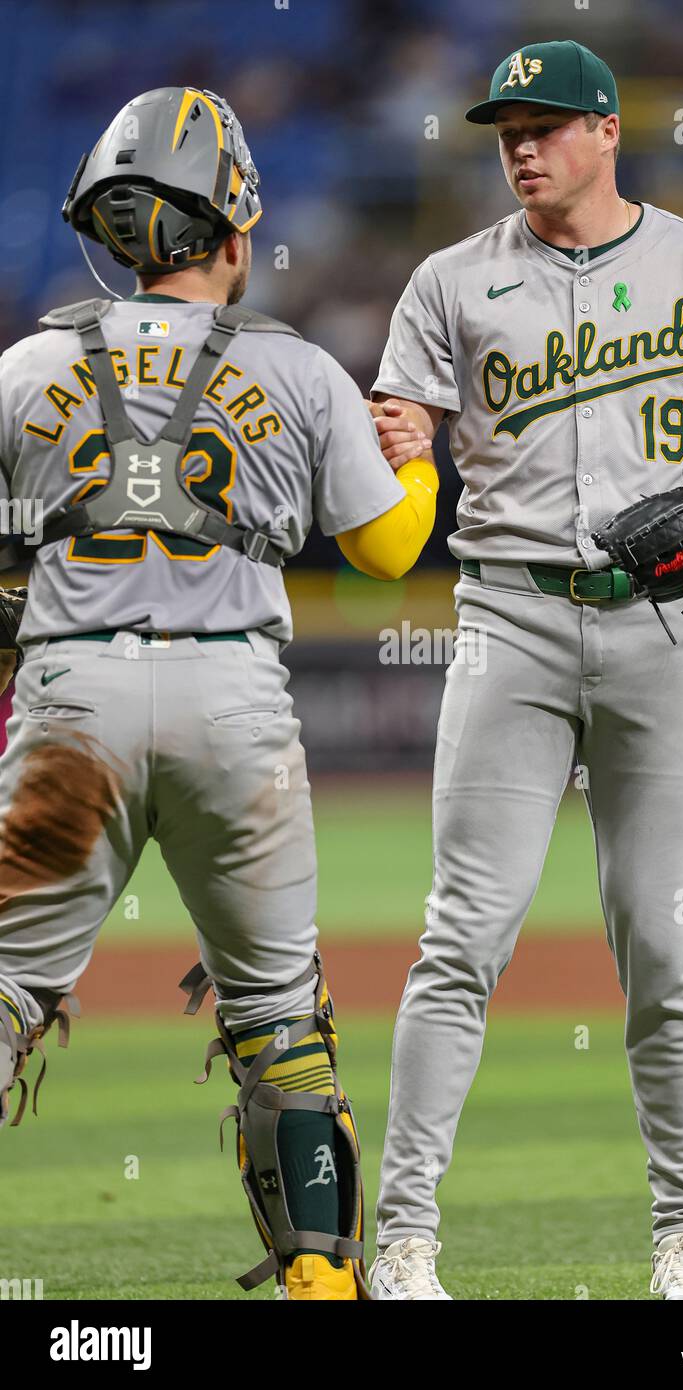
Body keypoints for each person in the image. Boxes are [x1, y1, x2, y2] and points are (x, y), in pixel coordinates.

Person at [365, 40, 683, 1300]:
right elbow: (392, 442)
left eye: (547, 123)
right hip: (504, 618)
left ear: (607, 130)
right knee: (460, 938)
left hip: (655, 627)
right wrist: (393, 434)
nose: (521, 144)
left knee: (666, 944)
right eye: (506, 127)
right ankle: (401, 1243)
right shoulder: (448, 280)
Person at [0, 85, 437, 1302]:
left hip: (71, 706)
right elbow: (389, 553)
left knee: (6, 987)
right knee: (279, 1019)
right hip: (236, 705)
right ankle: (319, 1283)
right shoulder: (295, 369)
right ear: (235, 230)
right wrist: (420, 464)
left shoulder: (26, 364)